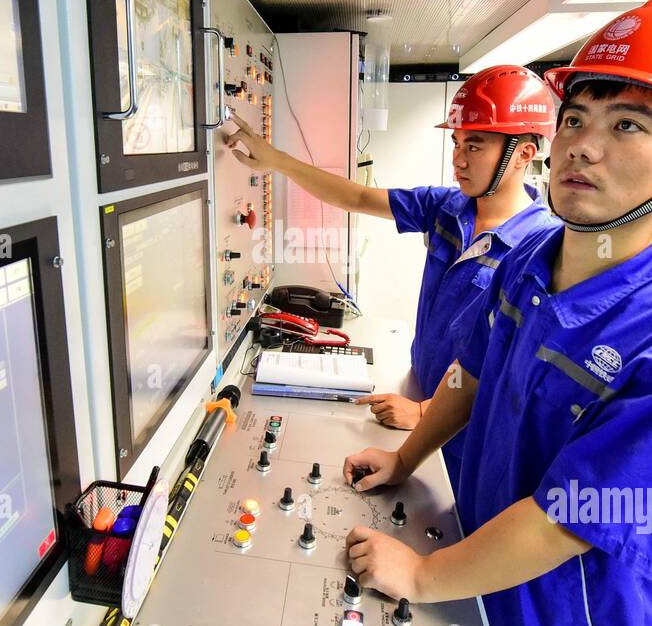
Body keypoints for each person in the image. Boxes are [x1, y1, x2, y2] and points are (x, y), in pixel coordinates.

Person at [342, 0, 652, 626]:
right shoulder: (525, 265)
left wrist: (422, 578)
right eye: (575, 119)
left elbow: (566, 519)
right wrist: (408, 457)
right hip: (481, 581)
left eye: (628, 124)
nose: (583, 146)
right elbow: (469, 377)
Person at [221, 66, 556, 488]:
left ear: (523, 154)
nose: (458, 158)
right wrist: (278, 162)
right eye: (456, 142)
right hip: (419, 392)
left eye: (475, 144)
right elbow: (357, 197)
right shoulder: (447, 208)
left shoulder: (539, 249)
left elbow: (515, 367)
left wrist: (423, 413)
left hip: (466, 432)